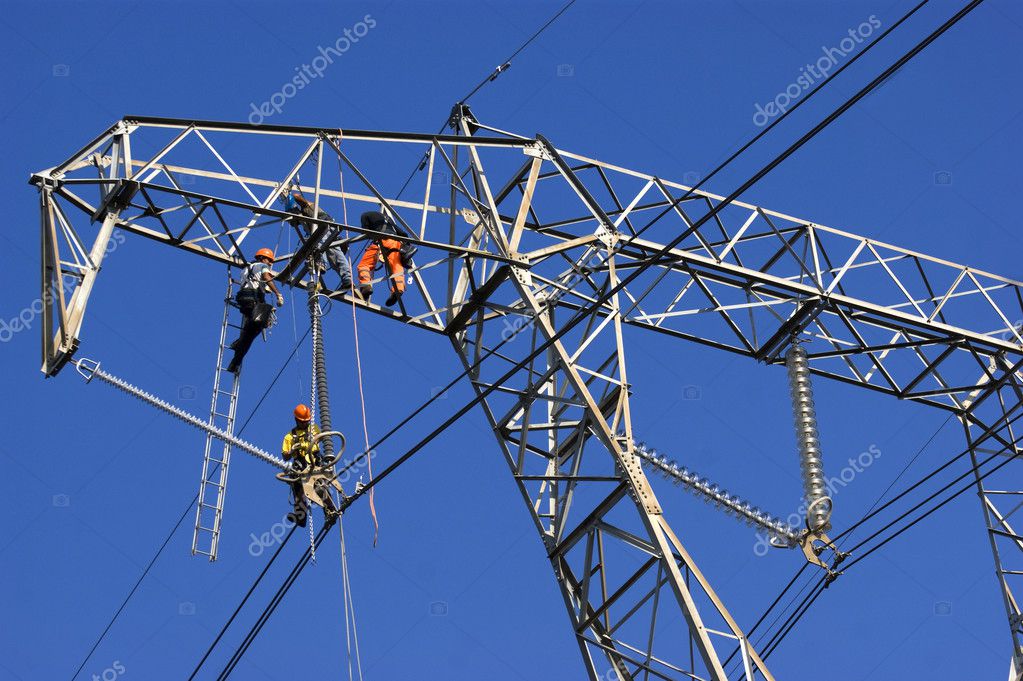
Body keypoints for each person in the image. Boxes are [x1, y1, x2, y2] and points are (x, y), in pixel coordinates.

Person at [281, 190, 353, 292]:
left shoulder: (308, 207)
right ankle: (347, 280)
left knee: (321, 245)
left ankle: (321, 263)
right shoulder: (304, 219)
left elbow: (297, 196)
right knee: (335, 259)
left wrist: (289, 196)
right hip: (327, 231)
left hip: (325, 227)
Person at [226, 248, 284, 374]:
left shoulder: (247, 269)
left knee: (251, 329)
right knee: (257, 326)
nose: (270, 264)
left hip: (244, 299)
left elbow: (256, 281)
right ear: (263, 258)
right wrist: (278, 293)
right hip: (253, 299)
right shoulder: (262, 266)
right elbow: (266, 277)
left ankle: (237, 352)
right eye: (269, 261)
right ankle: (237, 352)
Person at [282, 404, 322, 527]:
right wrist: (292, 450)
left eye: (307, 421)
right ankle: (300, 517)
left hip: (314, 461)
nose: (305, 424)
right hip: (300, 464)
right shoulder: (289, 436)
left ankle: (329, 510)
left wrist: (310, 441)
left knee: (320, 486)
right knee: (299, 489)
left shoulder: (313, 428)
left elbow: (321, 438)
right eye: (303, 422)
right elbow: (285, 456)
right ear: (297, 420)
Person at [357, 210, 407, 306]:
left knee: (364, 265)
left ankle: (366, 286)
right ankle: (398, 289)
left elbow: (365, 232)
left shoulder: (365, 215)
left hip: (381, 241)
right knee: (397, 268)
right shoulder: (388, 219)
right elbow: (403, 234)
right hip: (395, 243)